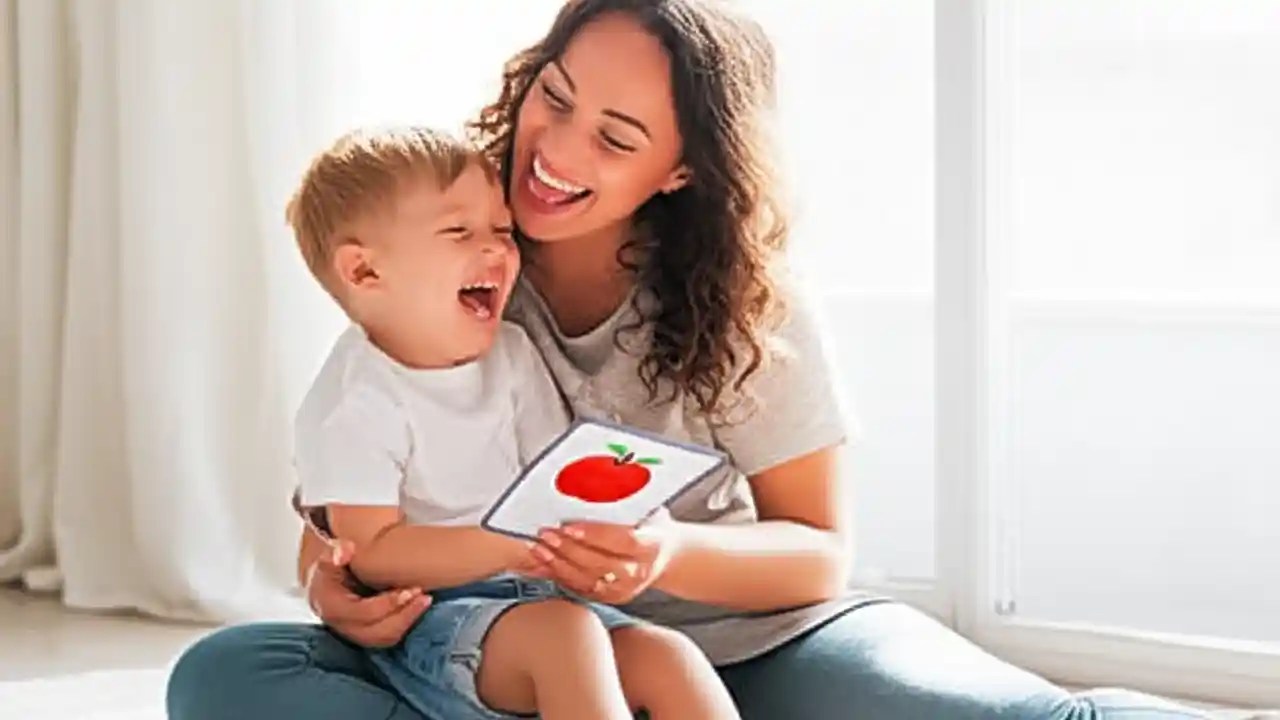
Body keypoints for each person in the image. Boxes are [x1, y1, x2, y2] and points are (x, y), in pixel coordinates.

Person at [167, 1, 1212, 718]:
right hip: (512, 648)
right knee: (226, 672)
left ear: (678, 172)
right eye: (555, 95)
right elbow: (348, 504)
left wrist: (661, 555)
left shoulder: (749, 307)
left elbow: (812, 552)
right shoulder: (453, 243)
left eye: (615, 138)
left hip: (753, 647)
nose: (558, 151)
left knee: (1028, 715)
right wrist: (331, 588)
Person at [281, 126, 739, 720]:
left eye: (502, 229)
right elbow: (370, 554)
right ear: (365, 273)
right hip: (437, 615)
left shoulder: (514, 354)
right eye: (459, 232)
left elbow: (555, 473)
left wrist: (613, 521)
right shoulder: (356, 399)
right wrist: (506, 544)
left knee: (666, 655)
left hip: (542, 596)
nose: (497, 249)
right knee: (563, 638)